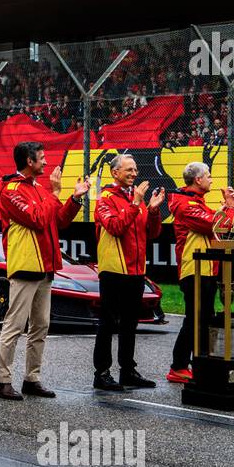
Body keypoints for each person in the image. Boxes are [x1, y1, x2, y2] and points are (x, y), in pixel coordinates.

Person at [0, 141, 89, 400]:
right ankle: (2, 381)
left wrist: (74, 198)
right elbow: (36, 218)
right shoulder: (10, 189)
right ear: (29, 160)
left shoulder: (38, 189)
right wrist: (56, 193)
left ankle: (31, 378)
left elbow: (59, 220)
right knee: (14, 326)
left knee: (41, 326)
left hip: (45, 266)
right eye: (42, 158)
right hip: (25, 265)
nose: (46, 162)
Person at [92, 153, 164, 391]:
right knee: (108, 322)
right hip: (113, 270)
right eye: (128, 170)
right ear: (115, 173)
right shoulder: (105, 198)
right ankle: (101, 373)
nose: (134, 173)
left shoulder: (138, 199)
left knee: (130, 323)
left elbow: (151, 234)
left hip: (136, 270)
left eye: (135, 170)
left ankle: (127, 371)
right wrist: (136, 204)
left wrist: (152, 211)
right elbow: (114, 226)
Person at [167, 162, 234, 383]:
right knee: (194, 319)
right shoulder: (185, 204)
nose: (211, 179)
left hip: (207, 267)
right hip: (193, 268)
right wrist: (229, 207)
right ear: (197, 180)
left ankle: (200, 364)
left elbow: (229, 230)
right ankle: (178, 367)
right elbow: (216, 226)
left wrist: (232, 206)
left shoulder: (198, 203)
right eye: (208, 176)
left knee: (204, 318)